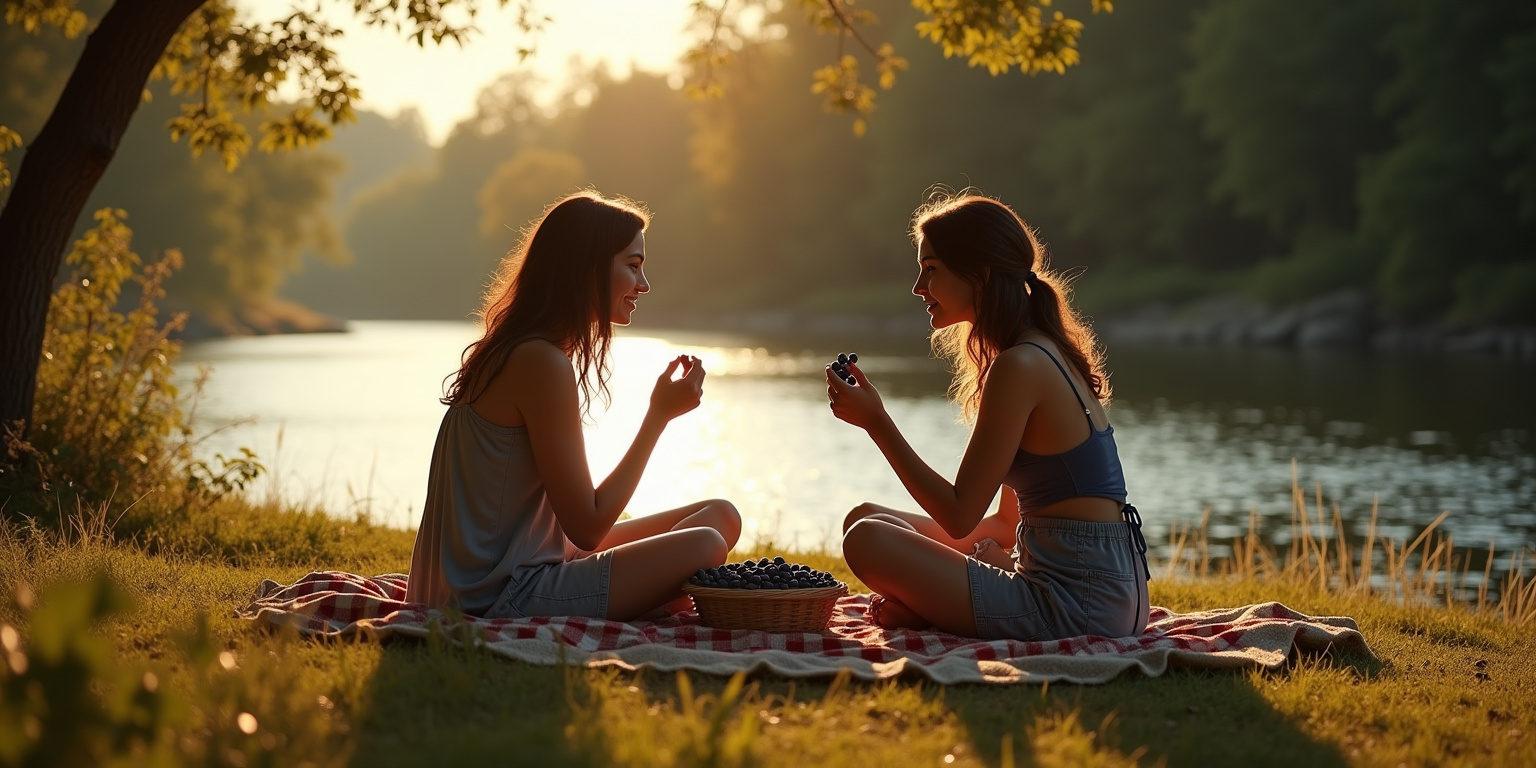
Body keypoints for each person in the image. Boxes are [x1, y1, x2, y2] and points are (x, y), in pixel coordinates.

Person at [827, 191, 1149, 640]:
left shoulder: (1020, 365)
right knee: (866, 519)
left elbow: (960, 516)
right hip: (1106, 593)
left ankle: (931, 610)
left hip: (1078, 605)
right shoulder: (1039, 352)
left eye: (931, 270)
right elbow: (1005, 524)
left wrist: (876, 422)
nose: (919, 288)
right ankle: (934, 607)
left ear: (977, 275)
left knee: (866, 540)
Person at [406, 190, 741, 621]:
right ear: (588, 269)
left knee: (719, 516)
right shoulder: (540, 362)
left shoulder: (529, 351)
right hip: (495, 594)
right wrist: (658, 417)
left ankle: (649, 594)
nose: (644, 284)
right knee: (706, 546)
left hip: (530, 557)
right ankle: (650, 598)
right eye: (633, 266)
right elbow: (588, 525)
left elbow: (574, 528)